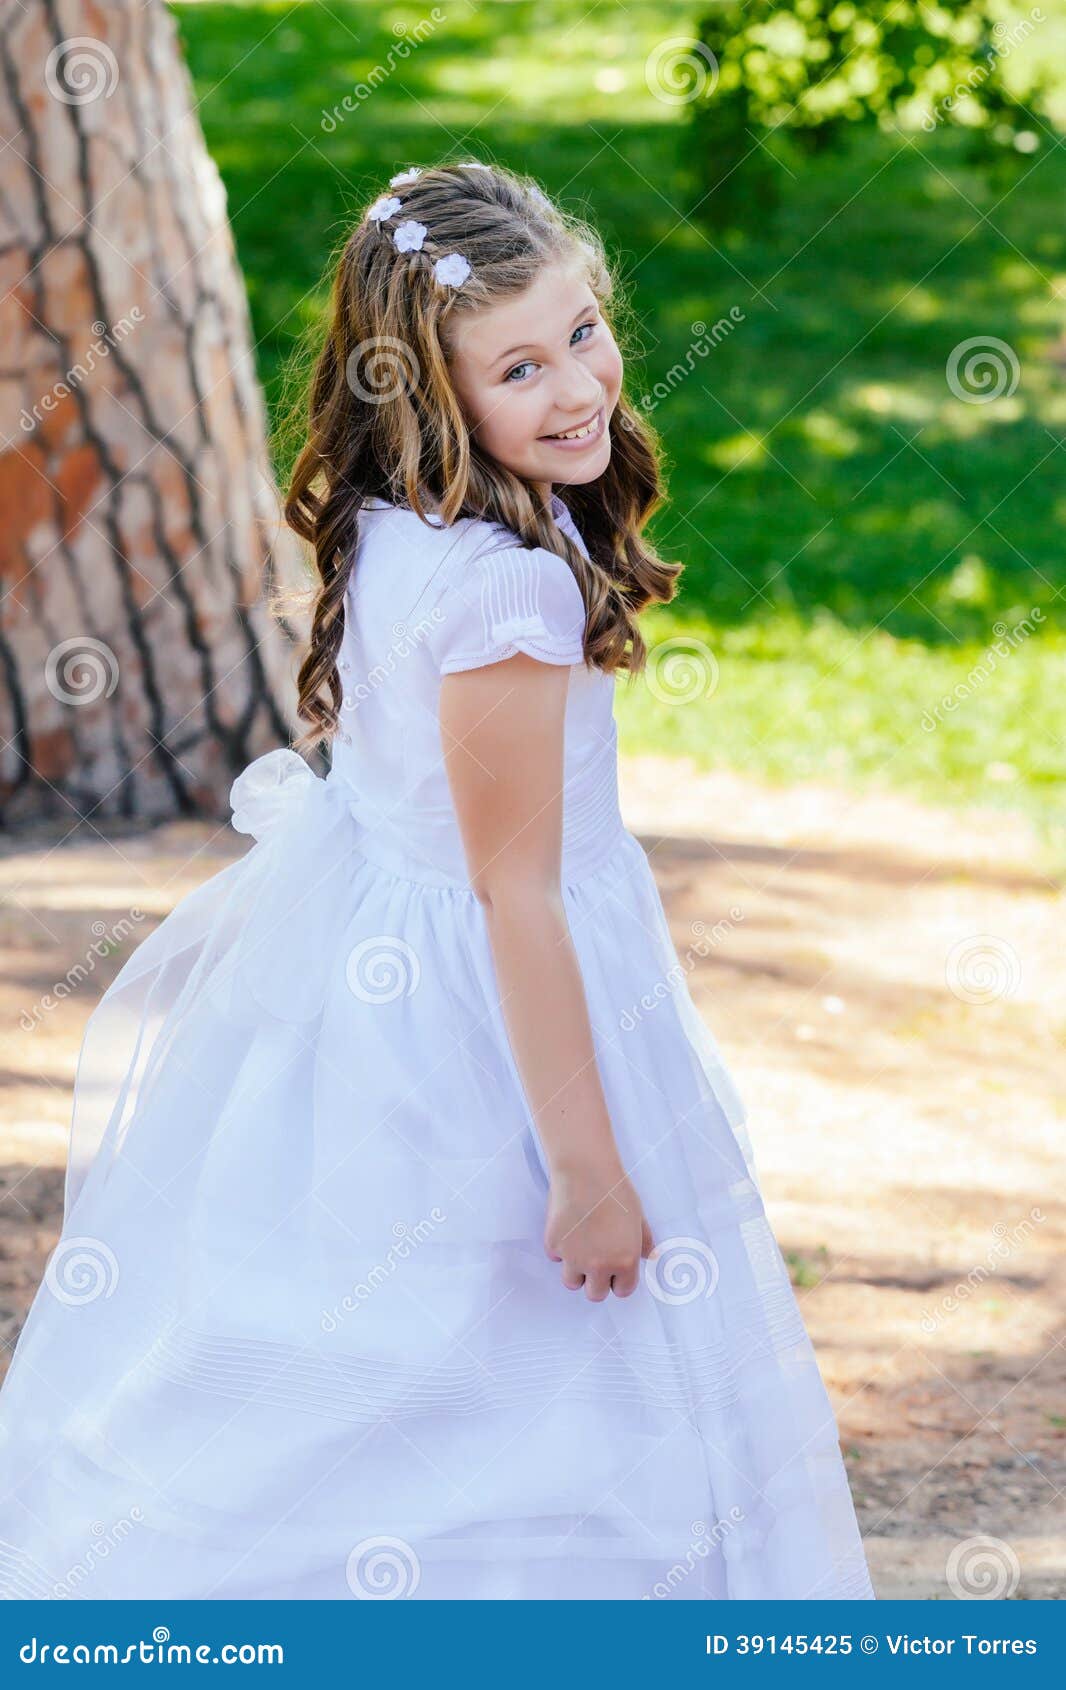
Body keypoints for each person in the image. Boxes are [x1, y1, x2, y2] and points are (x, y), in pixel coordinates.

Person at [0, 161, 875, 1601]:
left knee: (361, 1357)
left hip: (361, 987)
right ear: (429, 390)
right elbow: (513, 895)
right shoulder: (510, 591)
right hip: (491, 1018)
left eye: (584, 331)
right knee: (551, 1355)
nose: (579, 384)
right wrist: (590, 1172)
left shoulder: (398, 519)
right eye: (519, 366)